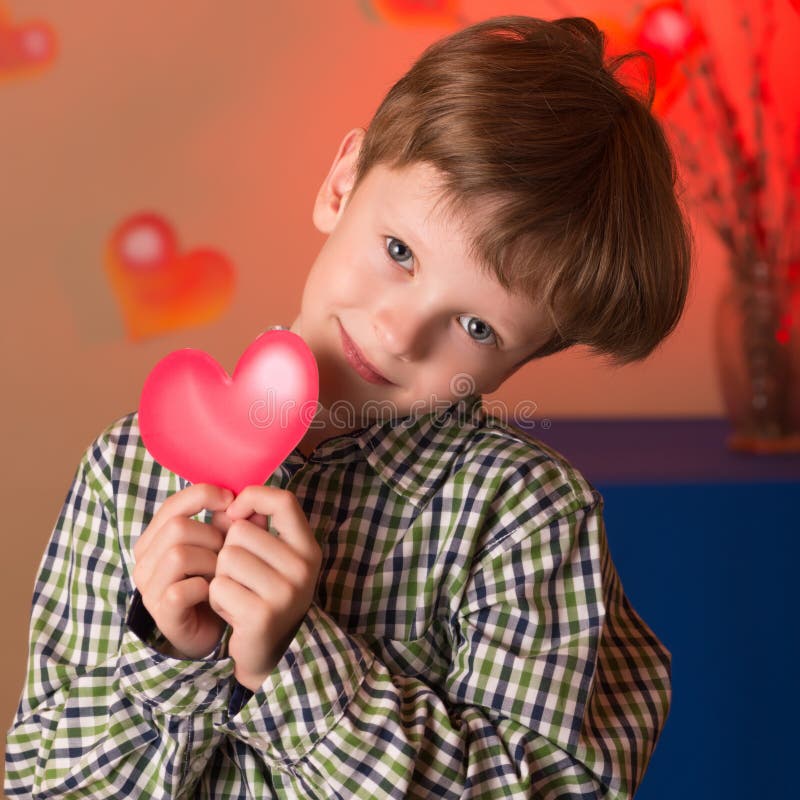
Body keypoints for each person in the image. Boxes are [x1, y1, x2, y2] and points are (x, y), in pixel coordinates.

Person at [5, 15, 691, 799]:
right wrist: (168, 655)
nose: (399, 332)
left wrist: (291, 666)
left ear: (522, 360)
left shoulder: (526, 518)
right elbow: (39, 783)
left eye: (475, 327)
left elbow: (555, 787)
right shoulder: (129, 470)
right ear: (341, 184)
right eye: (399, 252)